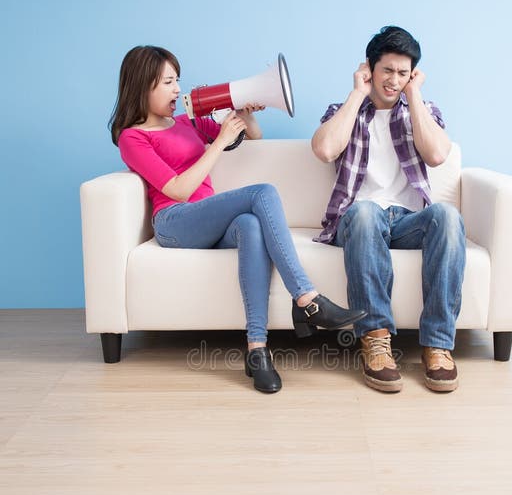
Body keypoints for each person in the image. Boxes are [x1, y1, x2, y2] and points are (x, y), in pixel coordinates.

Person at [109, 45, 365, 394]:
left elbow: (254, 137)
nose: (177, 90)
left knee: (250, 226)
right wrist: (218, 143)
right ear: (142, 86)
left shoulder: (186, 122)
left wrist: (245, 113)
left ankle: (257, 350)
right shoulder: (132, 137)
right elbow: (179, 190)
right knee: (262, 193)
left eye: (177, 80)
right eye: (167, 82)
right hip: (175, 222)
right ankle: (307, 299)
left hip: (206, 219)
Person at [311, 26, 466, 394]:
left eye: (403, 73)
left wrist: (415, 94)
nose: (394, 80)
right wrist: (357, 93)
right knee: (365, 212)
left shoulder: (422, 110)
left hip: (409, 221)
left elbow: (437, 155)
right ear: (370, 68)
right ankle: (376, 341)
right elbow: (325, 150)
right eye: (387, 70)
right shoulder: (344, 111)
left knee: (447, 216)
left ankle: (438, 345)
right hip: (360, 221)